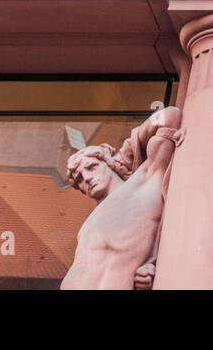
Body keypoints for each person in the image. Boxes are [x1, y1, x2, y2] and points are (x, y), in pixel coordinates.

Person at [62, 106, 182, 290]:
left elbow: (169, 115)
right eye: (79, 179)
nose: (86, 177)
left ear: (108, 164)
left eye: (92, 167)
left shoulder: (145, 181)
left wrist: (125, 155)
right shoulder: (87, 225)